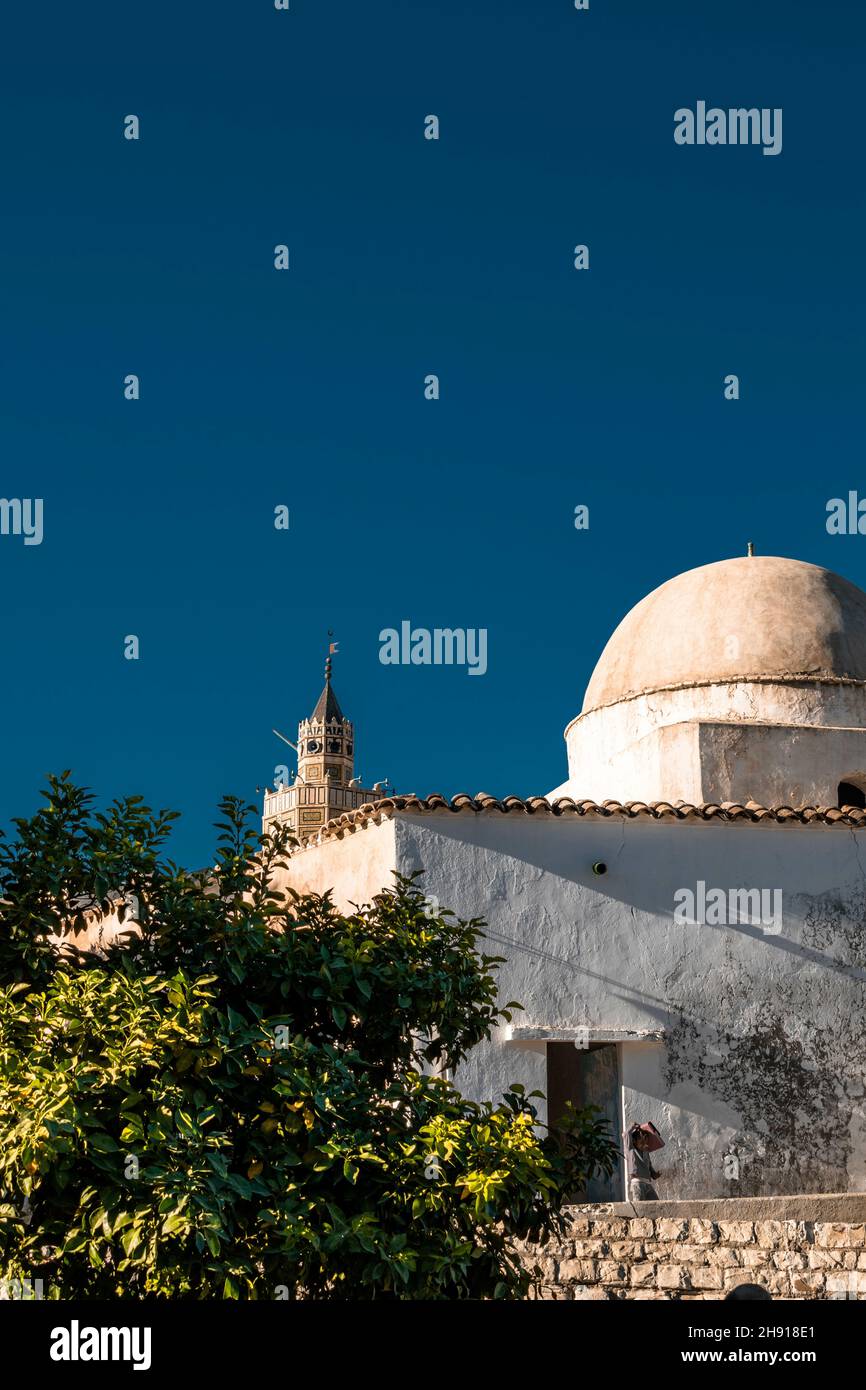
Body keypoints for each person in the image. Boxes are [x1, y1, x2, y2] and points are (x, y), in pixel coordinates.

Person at [626, 1120, 664, 1201]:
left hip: (648, 1183)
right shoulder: (631, 1150)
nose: (645, 1143)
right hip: (637, 1183)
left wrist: (654, 1174)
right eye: (641, 1141)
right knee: (639, 1207)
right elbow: (626, 1134)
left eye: (646, 1141)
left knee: (656, 1205)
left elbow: (649, 1166)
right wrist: (632, 1126)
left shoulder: (646, 1152)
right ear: (634, 1141)